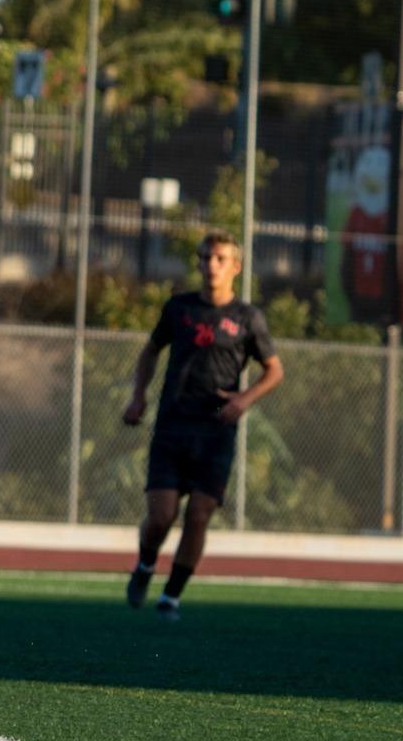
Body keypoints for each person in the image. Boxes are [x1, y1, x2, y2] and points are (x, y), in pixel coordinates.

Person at [121, 230, 284, 619]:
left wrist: (244, 400)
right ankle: (145, 565)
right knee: (161, 515)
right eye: (205, 257)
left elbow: (275, 371)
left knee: (198, 514)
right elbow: (150, 350)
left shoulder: (248, 318)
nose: (211, 265)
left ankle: (171, 598)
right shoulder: (179, 308)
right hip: (172, 425)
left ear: (236, 267)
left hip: (215, 433)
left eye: (220, 259)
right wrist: (139, 396)